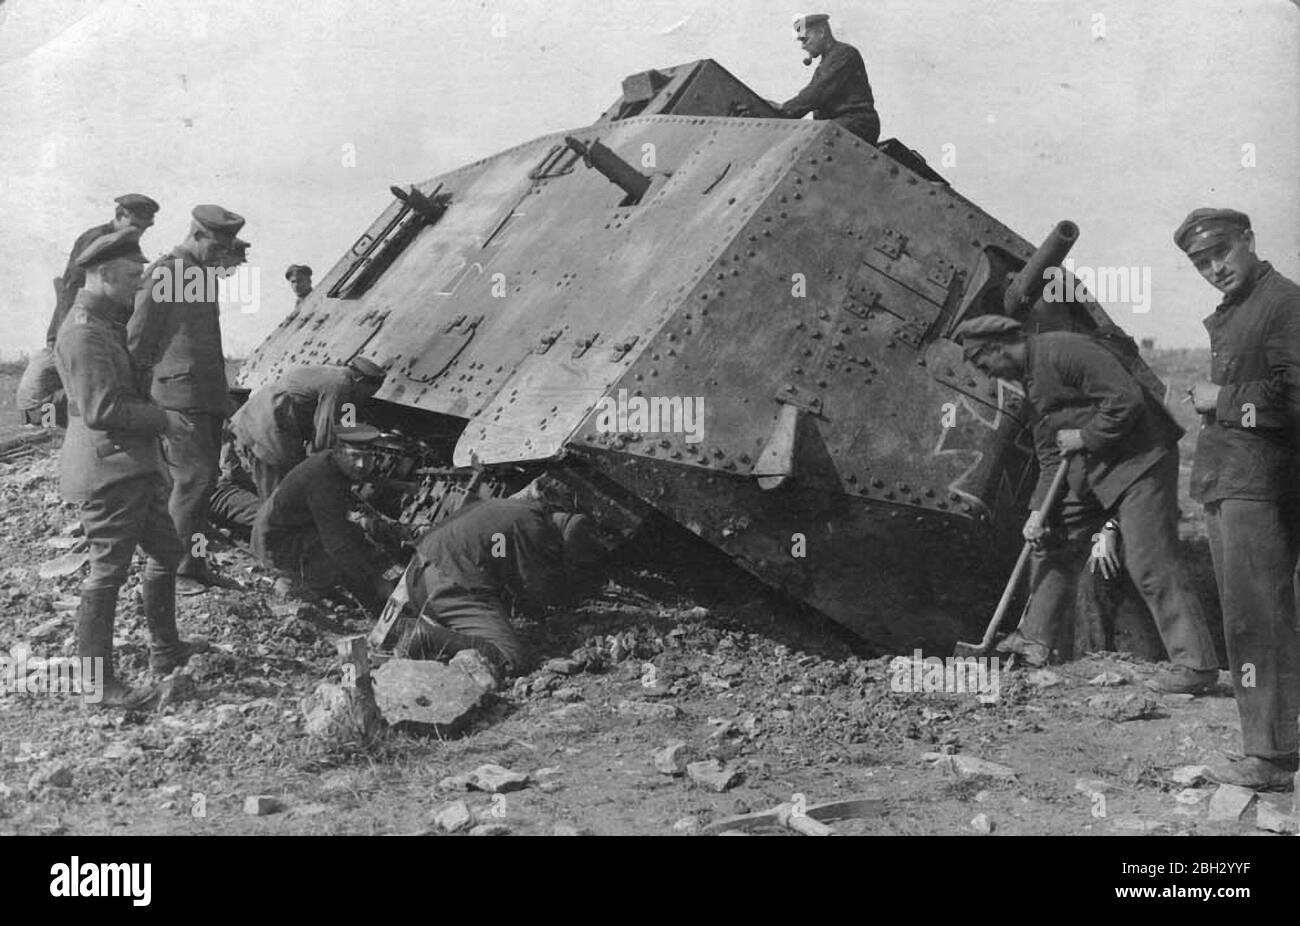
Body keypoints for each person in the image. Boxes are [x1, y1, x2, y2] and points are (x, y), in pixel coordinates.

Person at [952, 315, 1220, 693]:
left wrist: (1085, 436)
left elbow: (1125, 401)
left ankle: (1196, 665)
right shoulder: (1026, 383)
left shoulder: (1065, 349)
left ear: (997, 347)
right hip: (1093, 471)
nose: (987, 374)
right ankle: (1034, 643)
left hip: (1140, 464)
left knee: (1149, 561)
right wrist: (1037, 511)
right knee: (1050, 538)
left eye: (983, 363)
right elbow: (1050, 452)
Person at [1175, 207, 1300, 791]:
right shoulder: (1243, 308)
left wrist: (1221, 398)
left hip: (1261, 481)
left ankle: (1273, 756)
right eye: (1201, 262)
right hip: (1232, 480)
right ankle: (1267, 744)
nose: (1213, 268)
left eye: (1222, 253)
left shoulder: (1283, 303)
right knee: (1246, 619)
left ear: (1249, 240)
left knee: (1260, 620)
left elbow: (1292, 398)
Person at [52, 227, 203, 710]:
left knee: (167, 548)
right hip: (108, 469)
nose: (141, 284)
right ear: (101, 274)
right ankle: (98, 685)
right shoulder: (83, 333)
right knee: (107, 572)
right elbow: (101, 409)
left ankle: (166, 651)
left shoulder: (103, 325)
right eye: (133, 276)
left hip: (130, 464)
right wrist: (166, 419)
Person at [128, 204, 249, 593]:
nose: (221, 255)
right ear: (196, 234)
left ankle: (193, 562)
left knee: (203, 482)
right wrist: (136, 394)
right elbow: (138, 336)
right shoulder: (169, 270)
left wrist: (222, 398)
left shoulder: (197, 272)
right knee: (193, 480)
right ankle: (176, 569)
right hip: (179, 395)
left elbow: (204, 344)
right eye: (216, 246)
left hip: (203, 395)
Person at [390, 498, 607, 676]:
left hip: (419, 576)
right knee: (512, 658)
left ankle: (421, 629)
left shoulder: (522, 509)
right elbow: (537, 589)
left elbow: (498, 552)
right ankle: (425, 635)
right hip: (448, 582)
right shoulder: (533, 527)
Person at [250, 425, 393, 612]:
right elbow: (337, 545)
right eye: (354, 456)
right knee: (341, 548)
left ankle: (323, 586)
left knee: (353, 535)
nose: (361, 465)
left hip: (278, 532)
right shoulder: (324, 483)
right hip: (275, 547)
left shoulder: (329, 461)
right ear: (340, 452)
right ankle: (302, 585)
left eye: (367, 457)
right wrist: (375, 582)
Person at [229, 358, 387, 499]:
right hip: (267, 430)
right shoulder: (341, 386)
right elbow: (325, 438)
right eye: (368, 394)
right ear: (360, 381)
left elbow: (346, 426)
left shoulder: (339, 378)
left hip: (260, 422)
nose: (366, 399)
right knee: (279, 498)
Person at [45, 194, 160, 348]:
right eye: (134, 225)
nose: (138, 232)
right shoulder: (97, 240)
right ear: (120, 215)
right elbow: (75, 287)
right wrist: (62, 333)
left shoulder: (126, 243)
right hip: (77, 327)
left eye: (143, 228)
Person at [775, 14, 880, 145]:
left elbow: (816, 93)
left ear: (821, 33)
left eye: (805, 39)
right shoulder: (827, 61)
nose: (803, 46)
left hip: (857, 121)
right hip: (840, 122)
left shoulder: (844, 54)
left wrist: (784, 110)